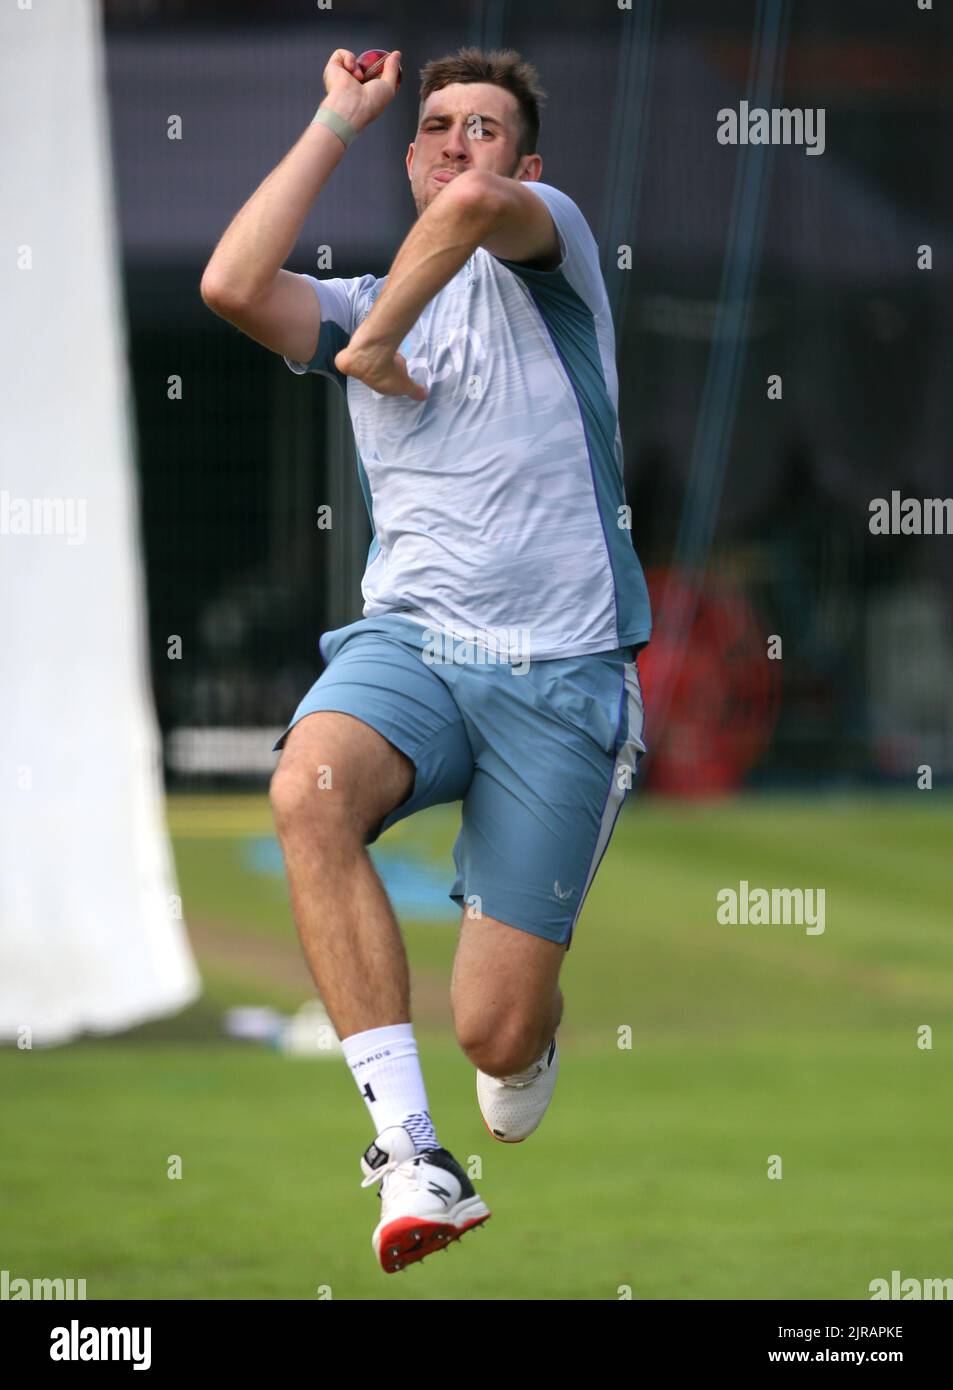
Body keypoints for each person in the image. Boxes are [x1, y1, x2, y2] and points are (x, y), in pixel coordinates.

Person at [201, 44, 651, 1274]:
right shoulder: (353, 298)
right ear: (405, 154)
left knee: (493, 1033)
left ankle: (527, 1043)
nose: (455, 145)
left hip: (562, 673)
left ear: (528, 165)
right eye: (435, 126)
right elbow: (234, 283)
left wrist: (373, 341)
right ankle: (411, 1155)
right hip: (412, 643)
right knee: (308, 788)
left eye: (483, 128)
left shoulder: (547, 248)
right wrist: (334, 118)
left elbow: (465, 217)